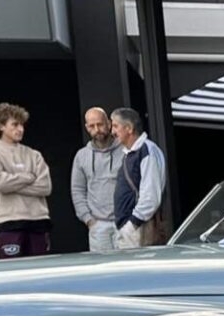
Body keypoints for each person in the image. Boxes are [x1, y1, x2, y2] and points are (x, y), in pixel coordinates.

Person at [0, 102, 52, 258]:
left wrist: (12, 184)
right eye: (15, 125)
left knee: (41, 269)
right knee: (13, 269)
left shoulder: (34, 154)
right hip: (8, 222)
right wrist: (28, 177)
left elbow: (45, 187)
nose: (21, 129)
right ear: (1, 126)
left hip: (38, 221)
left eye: (22, 125)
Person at [110, 107, 166, 249]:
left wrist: (132, 224)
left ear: (129, 128)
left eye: (116, 126)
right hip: (131, 228)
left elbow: (150, 195)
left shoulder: (146, 151)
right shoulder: (132, 153)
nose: (112, 132)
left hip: (138, 228)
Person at [70, 106, 124, 252]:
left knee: (128, 264)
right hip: (98, 225)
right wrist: (88, 219)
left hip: (125, 223)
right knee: (103, 265)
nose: (97, 129)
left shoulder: (125, 150)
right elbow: (77, 190)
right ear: (87, 127)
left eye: (100, 124)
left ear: (109, 123)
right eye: (92, 126)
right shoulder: (82, 156)